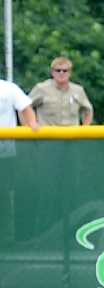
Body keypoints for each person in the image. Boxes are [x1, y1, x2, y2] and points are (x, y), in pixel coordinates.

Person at [1, 79, 40, 243]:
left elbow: (25, 107)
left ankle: (6, 237)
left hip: (5, 154)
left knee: (4, 195)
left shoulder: (8, 88)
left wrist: (32, 124)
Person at [29, 57, 94, 126]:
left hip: (71, 132)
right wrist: (31, 123)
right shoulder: (41, 89)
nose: (61, 73)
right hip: (48, 132)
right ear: (52, 72)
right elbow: (26, 107)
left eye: (65, 71)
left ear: (70, 73)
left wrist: (84, 128)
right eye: (58, 70)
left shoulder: (78, 90)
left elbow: (88, 110)